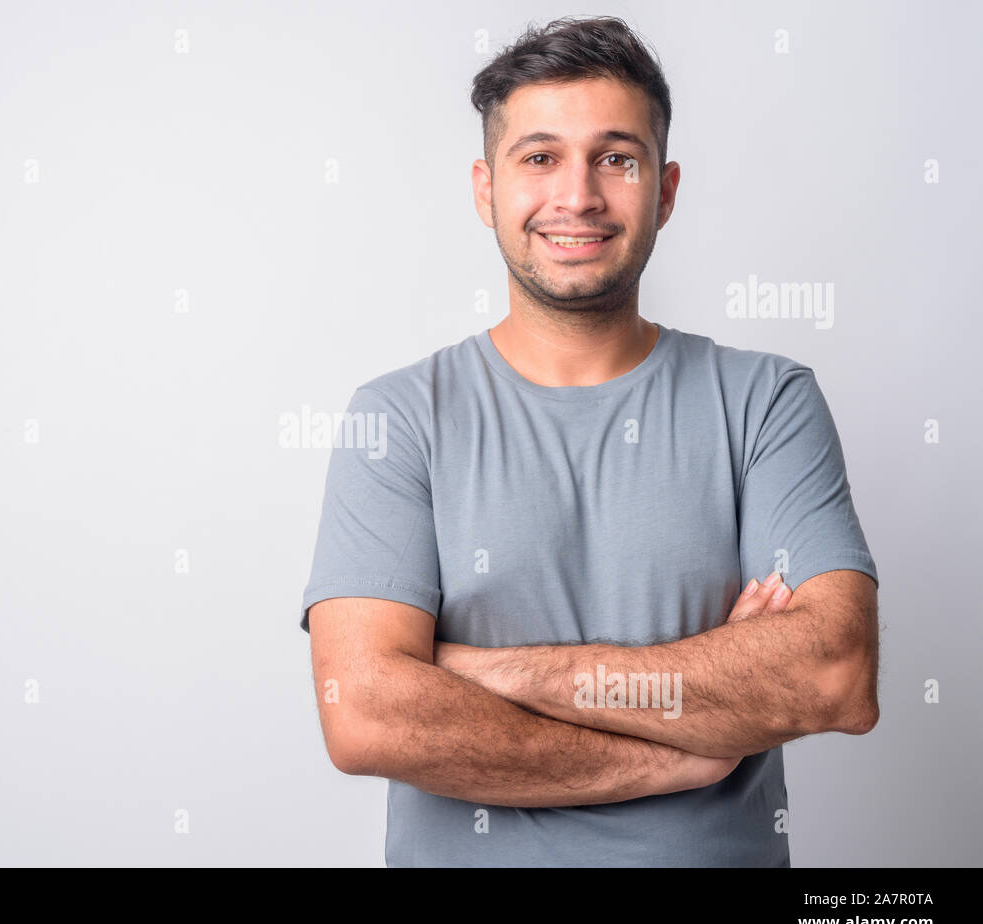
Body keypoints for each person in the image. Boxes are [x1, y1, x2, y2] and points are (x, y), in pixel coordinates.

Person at [298, 16, 879, 867]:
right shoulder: (394, 419)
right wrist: (679, 748)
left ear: (666, 189)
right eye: (539, 157)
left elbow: (833, 674)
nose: (578, 196)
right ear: (484, 189)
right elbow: (368, 714)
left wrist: (487, 673)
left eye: (616, 157)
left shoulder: (765, 403)